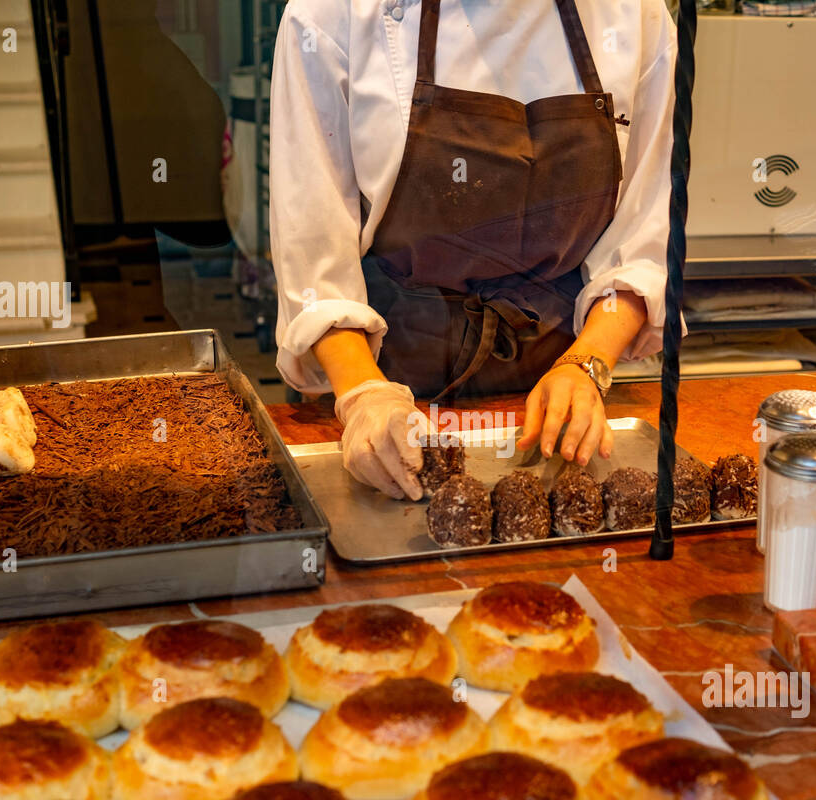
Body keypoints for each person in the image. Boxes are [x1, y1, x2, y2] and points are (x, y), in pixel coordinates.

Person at [270, 0, 678, 499]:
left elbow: (646, 233)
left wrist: (588, 363)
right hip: (391, 381)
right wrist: (363, 394)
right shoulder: (332, 14)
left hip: (565, 396)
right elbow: (312, 243)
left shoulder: (634, 14)